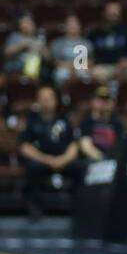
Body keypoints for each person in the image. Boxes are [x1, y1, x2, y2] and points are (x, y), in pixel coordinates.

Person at [18, 85, 80, 217]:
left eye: (49, 98)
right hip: (41, 160)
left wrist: (62, 160)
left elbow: (74, 145)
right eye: (42, 98)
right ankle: (35, 209)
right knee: (32, 168)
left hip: (63, 160)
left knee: (81, 167)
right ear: (37, 101)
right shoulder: (31, 120)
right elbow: (24, 147)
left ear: (56, 100)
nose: (46, 101)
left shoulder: (65, 119)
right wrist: (47, 160)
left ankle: (79, 208)